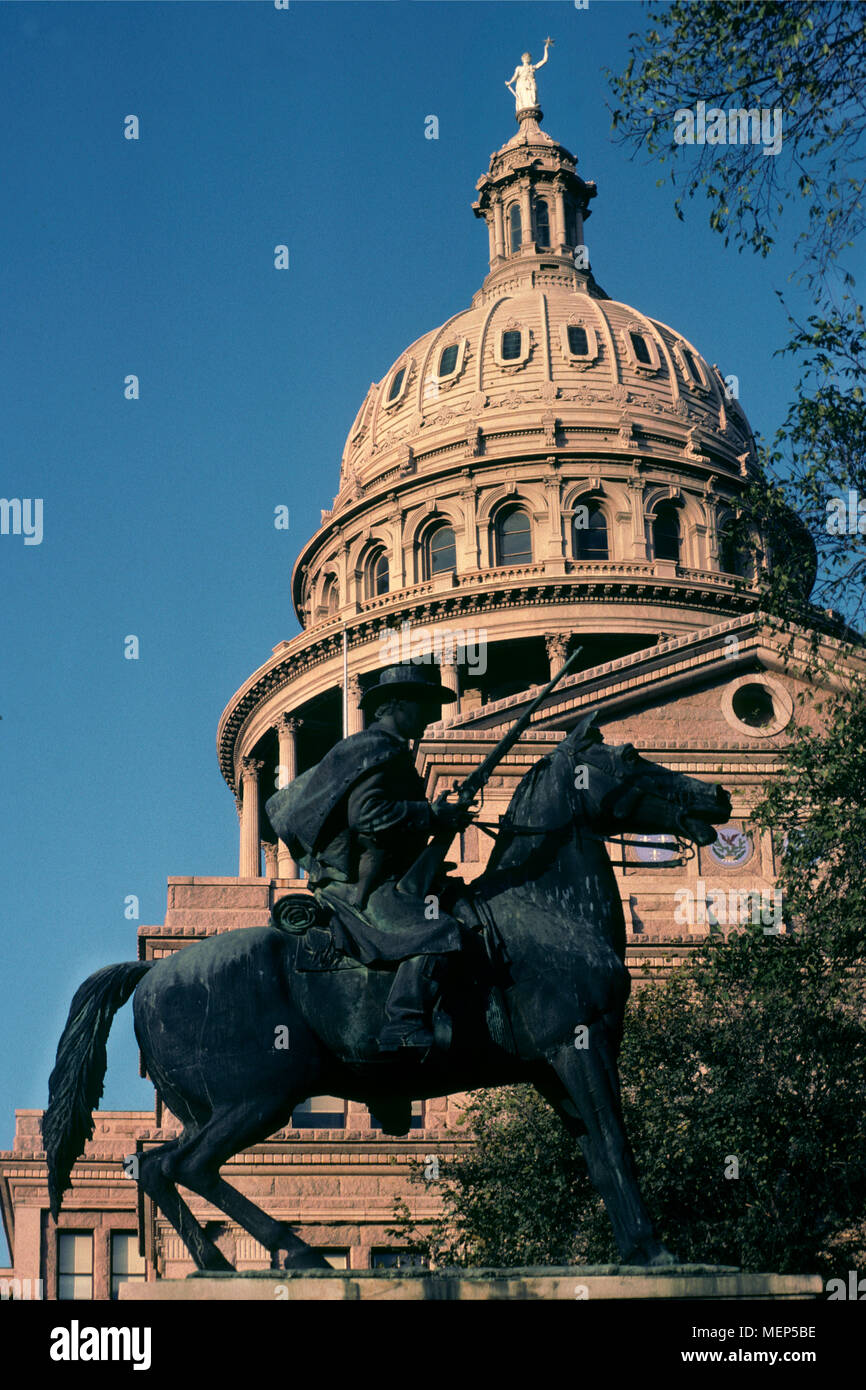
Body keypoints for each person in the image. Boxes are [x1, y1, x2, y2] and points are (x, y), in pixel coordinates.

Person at [266, 664, 476, 1058]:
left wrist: (438, 815)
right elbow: (368, 818)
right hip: (363, 886)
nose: (430, 716)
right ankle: (405, 1022)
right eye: (423, 705)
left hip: (383, 877)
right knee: (439, 932)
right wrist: (430, 814)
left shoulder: (385, 749)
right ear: (397, 705)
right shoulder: (377, 749)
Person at [505, 38, 553, 113]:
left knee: (532, 94)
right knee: (524, 96)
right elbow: (515, 77)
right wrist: (510, 82)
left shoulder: (532, 67)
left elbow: (544, 61)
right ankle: (526, 108)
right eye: (525, 57)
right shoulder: (519, 68)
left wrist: (545, 49)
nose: (526, 59)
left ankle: (532, 105)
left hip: (531, 83)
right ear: (522, 59)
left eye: (528, 57)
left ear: (530, 59)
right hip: (522, 84)